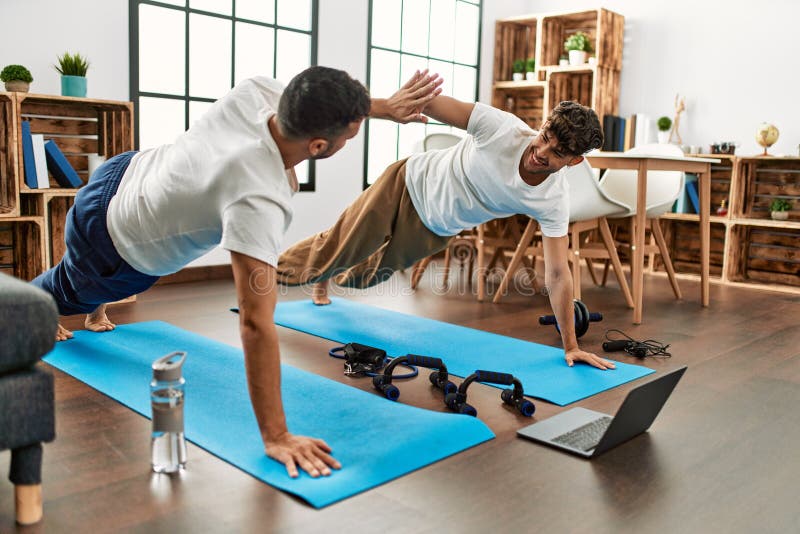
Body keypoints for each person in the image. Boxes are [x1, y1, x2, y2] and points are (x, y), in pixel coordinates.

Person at [31, 66, 443, 479]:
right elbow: (255, 323)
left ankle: (89, 308)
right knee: (52, 298)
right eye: (350, 136)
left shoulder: (259, 92)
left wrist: (385, 107)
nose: (351, 138)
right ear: (319, 145)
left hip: (124, 172)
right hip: (114, 246)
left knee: (87, 278)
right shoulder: (257, 194)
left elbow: (316, 95)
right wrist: (277, 435)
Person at [277, 96, 617, 371]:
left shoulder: (553, 198)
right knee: (342, 246)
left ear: (573, 162)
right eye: (545, 138)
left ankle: (327, 272)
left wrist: (570, 345)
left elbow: (558, 273)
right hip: (407, 183)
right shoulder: (501, 128)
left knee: (365, 276)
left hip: (435, 227)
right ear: (542, 126)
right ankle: (263, 272)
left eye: (557, 153)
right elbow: (430, 103)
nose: (541, 152)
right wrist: (390, 103)